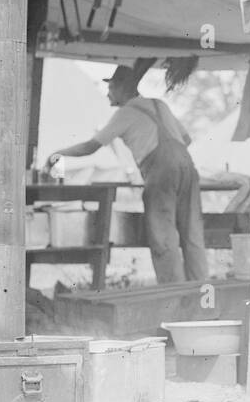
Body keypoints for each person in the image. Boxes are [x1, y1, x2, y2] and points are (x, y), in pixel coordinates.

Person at [47, 65, 207, 284]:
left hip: (161, 171)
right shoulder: (159, 104)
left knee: (163, 235)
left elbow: (91, 147)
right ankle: (200, 289)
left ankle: (174, 294)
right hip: (187, 166)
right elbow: (186, 139)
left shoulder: (125, 113)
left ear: (124, 87)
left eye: (111, 87)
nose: (108, 93)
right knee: (192, 232)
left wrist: (59, 154)